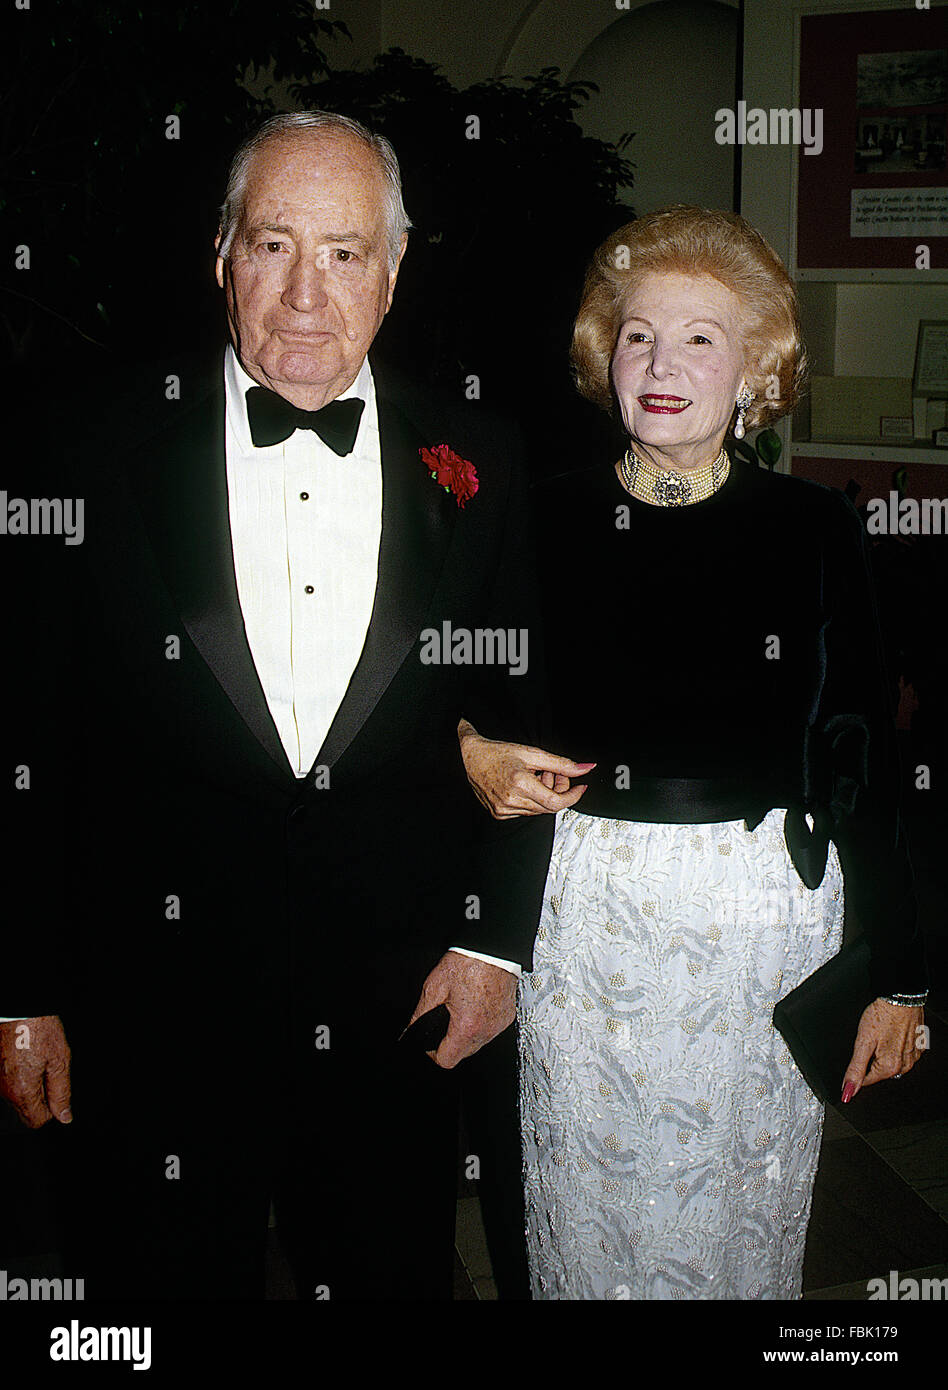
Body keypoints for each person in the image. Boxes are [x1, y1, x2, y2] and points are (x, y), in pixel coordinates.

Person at [0, 110, 553, 1301]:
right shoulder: (85, 449)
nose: (307, 293)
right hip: (148, 1009)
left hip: (396, 1006)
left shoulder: (484, 457)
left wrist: (494, 941)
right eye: (273, 246)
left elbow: (522, 712)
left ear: (397, 271)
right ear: (221, 256)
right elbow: (25, 734)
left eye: (347, 252)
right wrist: (22, 991)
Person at [458, 206, 928, 1300]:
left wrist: (901, 976)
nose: (662, 365)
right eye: (637, 335)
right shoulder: (539, 519)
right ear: (604, 355)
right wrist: (471, 742)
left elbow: (862, 756)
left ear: (754, 369)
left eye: (701, 339)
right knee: (583, 1207)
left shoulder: (816, 528)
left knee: (735, 1214)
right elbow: (464, 693)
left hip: (760, 919)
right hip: (588, 916)